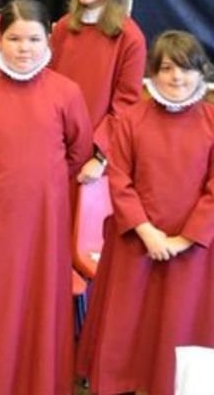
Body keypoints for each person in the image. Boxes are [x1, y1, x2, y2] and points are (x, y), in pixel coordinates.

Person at [0, 0, 93, 395]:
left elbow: (79, 151)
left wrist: (42, 184)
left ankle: (34, 379)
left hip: (43, 218)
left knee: (37, 297)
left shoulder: (67, 92)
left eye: (33, 39)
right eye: (14, 38)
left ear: (49, 42)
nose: (23, 48)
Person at [76, 30, 214, 395]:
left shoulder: (212, 123)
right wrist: (148, 233)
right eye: (167, 68)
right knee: (128, 332)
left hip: (193, 254)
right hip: (135, 247)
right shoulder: (131, 121)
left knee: (179, 332)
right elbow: (119, 181)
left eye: (185, 69)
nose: (176, 78)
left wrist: (184, 240)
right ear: (153, 72)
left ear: (202, 73)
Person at [51, 0, 147, 181]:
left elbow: (125, 105)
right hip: (54, 147)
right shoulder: (64, 28)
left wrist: (101, 156)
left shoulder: (130, 37)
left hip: (92, 159)